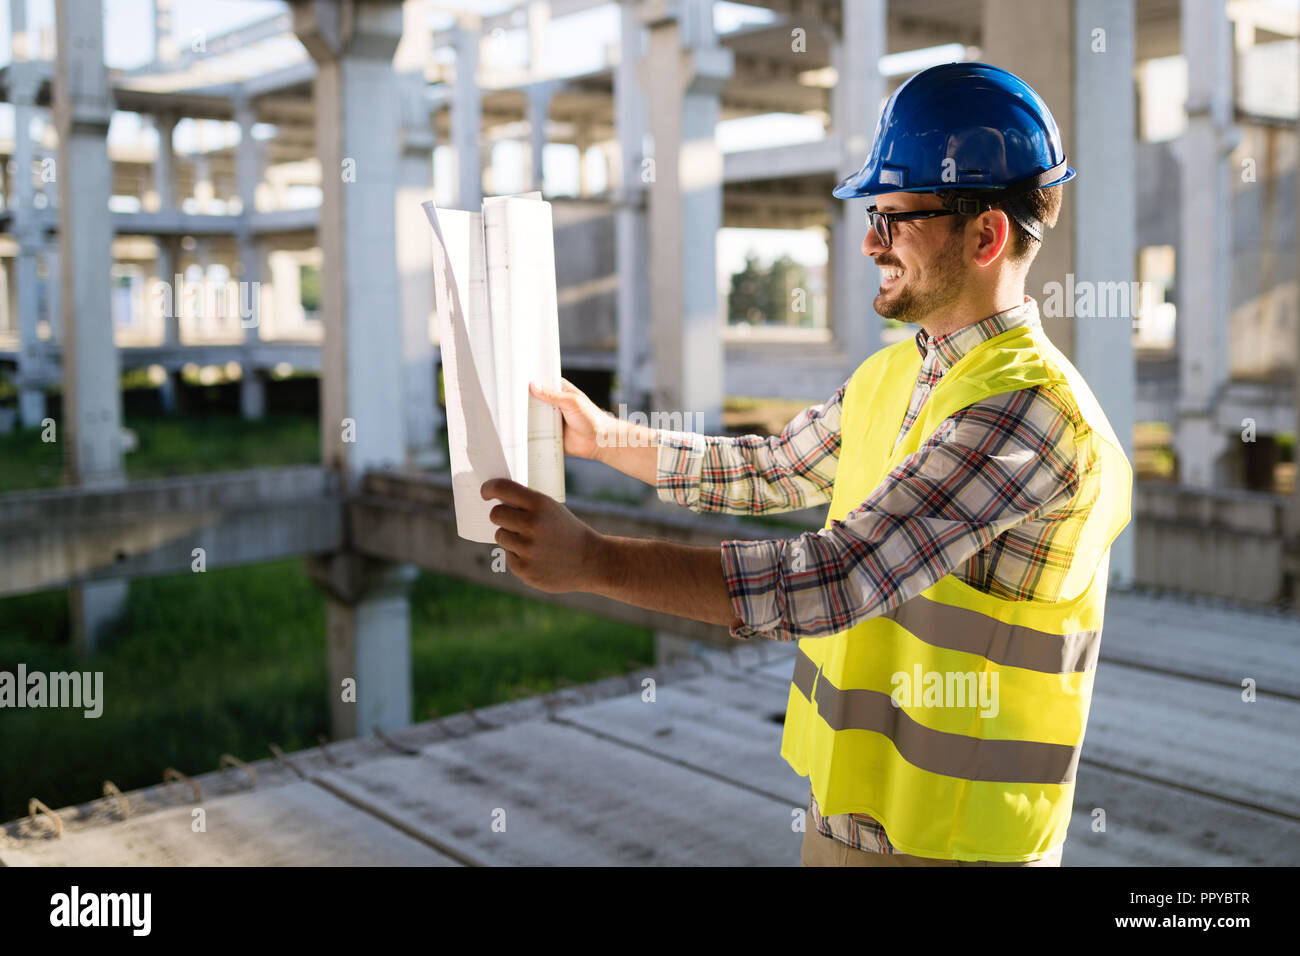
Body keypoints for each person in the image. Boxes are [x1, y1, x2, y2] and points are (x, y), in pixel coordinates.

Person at [481, 62, 1132, 866]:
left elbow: (834, 579)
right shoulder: (897, 374)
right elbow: (768, 470)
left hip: (956, 845)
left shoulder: (1027, 419)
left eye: (892, 218)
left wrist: (596, 562)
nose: (869, 242)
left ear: (987, 234)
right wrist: (605, 437)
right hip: (843, 820)